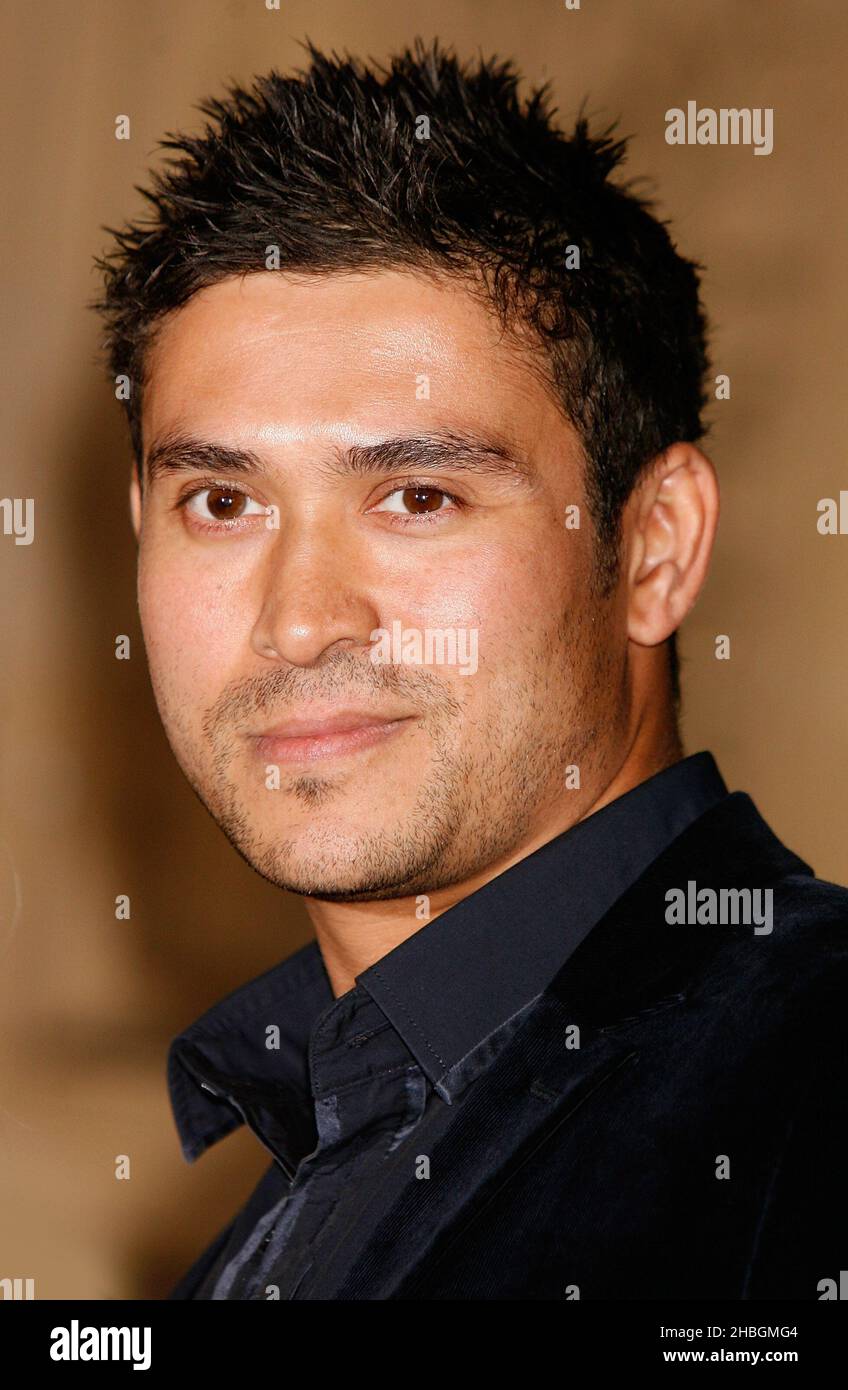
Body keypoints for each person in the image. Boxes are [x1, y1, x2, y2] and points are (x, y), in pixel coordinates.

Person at [92, 38, 847, 1300]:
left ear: (652, 546)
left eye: (418, 493)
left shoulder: (809, 1083)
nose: (299, 620)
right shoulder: (280, 1208)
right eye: (222, 501)